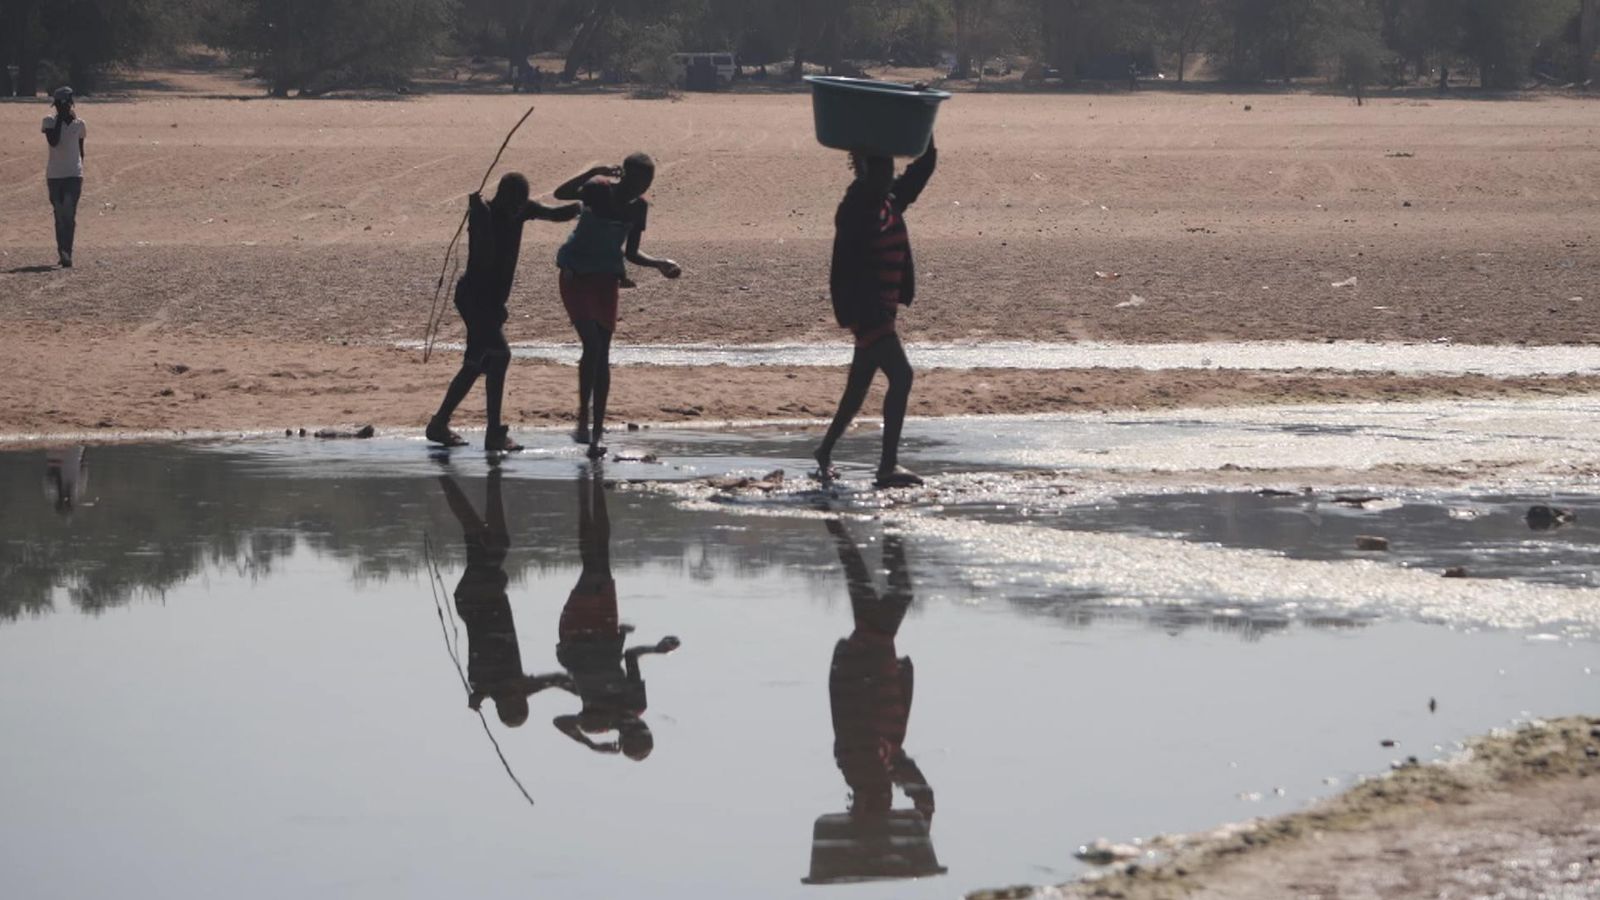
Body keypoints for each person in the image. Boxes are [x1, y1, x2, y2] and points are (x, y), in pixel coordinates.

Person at [804, 517, 941, 885]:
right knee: (871, 583)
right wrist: (920, 819)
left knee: (880, 585)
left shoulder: (862, 766)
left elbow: (853, 715)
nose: (887, 805)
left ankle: (875, 519)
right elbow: (919, 790)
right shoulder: (879, 769)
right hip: (871, 661)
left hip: (868, 660)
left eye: (881, 807)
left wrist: (919, 817)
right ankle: (866, 520)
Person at [814, 135, 938, 488]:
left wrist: (925, 126)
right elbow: (849, 268)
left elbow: (924, 167)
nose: (889, 179)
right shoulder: (855, 210)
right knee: (902, 377)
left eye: (890, 173)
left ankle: (824, 451)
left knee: (858, 388)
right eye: (881, 173)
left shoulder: (889, 200)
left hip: (881, 309)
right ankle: (887, 467)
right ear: (866, 172)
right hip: (866, 311)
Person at [532, 472, 680, 759]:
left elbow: (559, 721)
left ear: (623, 738)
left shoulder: (597, 724)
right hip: (608, 635)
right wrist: (658, 649)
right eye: (644, 730)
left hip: (576, 638)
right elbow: (631, 656)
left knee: (593, 565)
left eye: (635, 733)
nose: (637, 725)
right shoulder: (637, 704)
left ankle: (586, 490)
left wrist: (588, 743)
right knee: (601, 559)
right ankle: (593, 490)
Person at [427, 173, 578, 452]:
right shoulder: (485, 214)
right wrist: (477, 210)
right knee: (500, 355)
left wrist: (583, 206)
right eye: (513, 203)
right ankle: (492, 432)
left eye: (521, 204)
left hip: (491, 302)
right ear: (502, 197)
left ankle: (442, 424)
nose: (517, 209)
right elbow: (484, 254)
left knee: (477, 362)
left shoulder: (523, 210)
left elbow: (557, 215)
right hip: (475, 298)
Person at [552, 155, 682, 459]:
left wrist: (660, 264)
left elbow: (632, 253)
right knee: (592, 346)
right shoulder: (598, 188)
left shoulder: (639, 208)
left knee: (603, 353)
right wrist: (593, 171)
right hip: (575, 274)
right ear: (624, 176)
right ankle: (583, 417)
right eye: (636, 181)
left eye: (646, 183)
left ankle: (596, 434)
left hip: (607, 279)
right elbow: (561, 194)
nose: (640, 188)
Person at [441, 470, 566, 727]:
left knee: (488, 541)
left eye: (515, 704)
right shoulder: (517, 685)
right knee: (489, 540)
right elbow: (552, 680)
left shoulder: (485, 685)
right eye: (522, 702)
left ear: (505, 706)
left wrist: (477, 697)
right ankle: (482, 477)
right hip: (482, 598)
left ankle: (472, 476)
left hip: (476, 601)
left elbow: (480, 684)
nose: (520, 698)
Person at [41, 86, 87, 269]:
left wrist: (80, 170)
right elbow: (53, 141)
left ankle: (67, 252)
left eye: (63, 105)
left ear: (70, 104)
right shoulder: (49, 122)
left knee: (69, 212)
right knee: (60, 215)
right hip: (54, 176)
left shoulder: (80, 125)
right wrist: (60, 119)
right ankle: (63, 251)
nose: (60, 108)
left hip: (74, 175)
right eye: (58, 106)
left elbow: (81, 150)